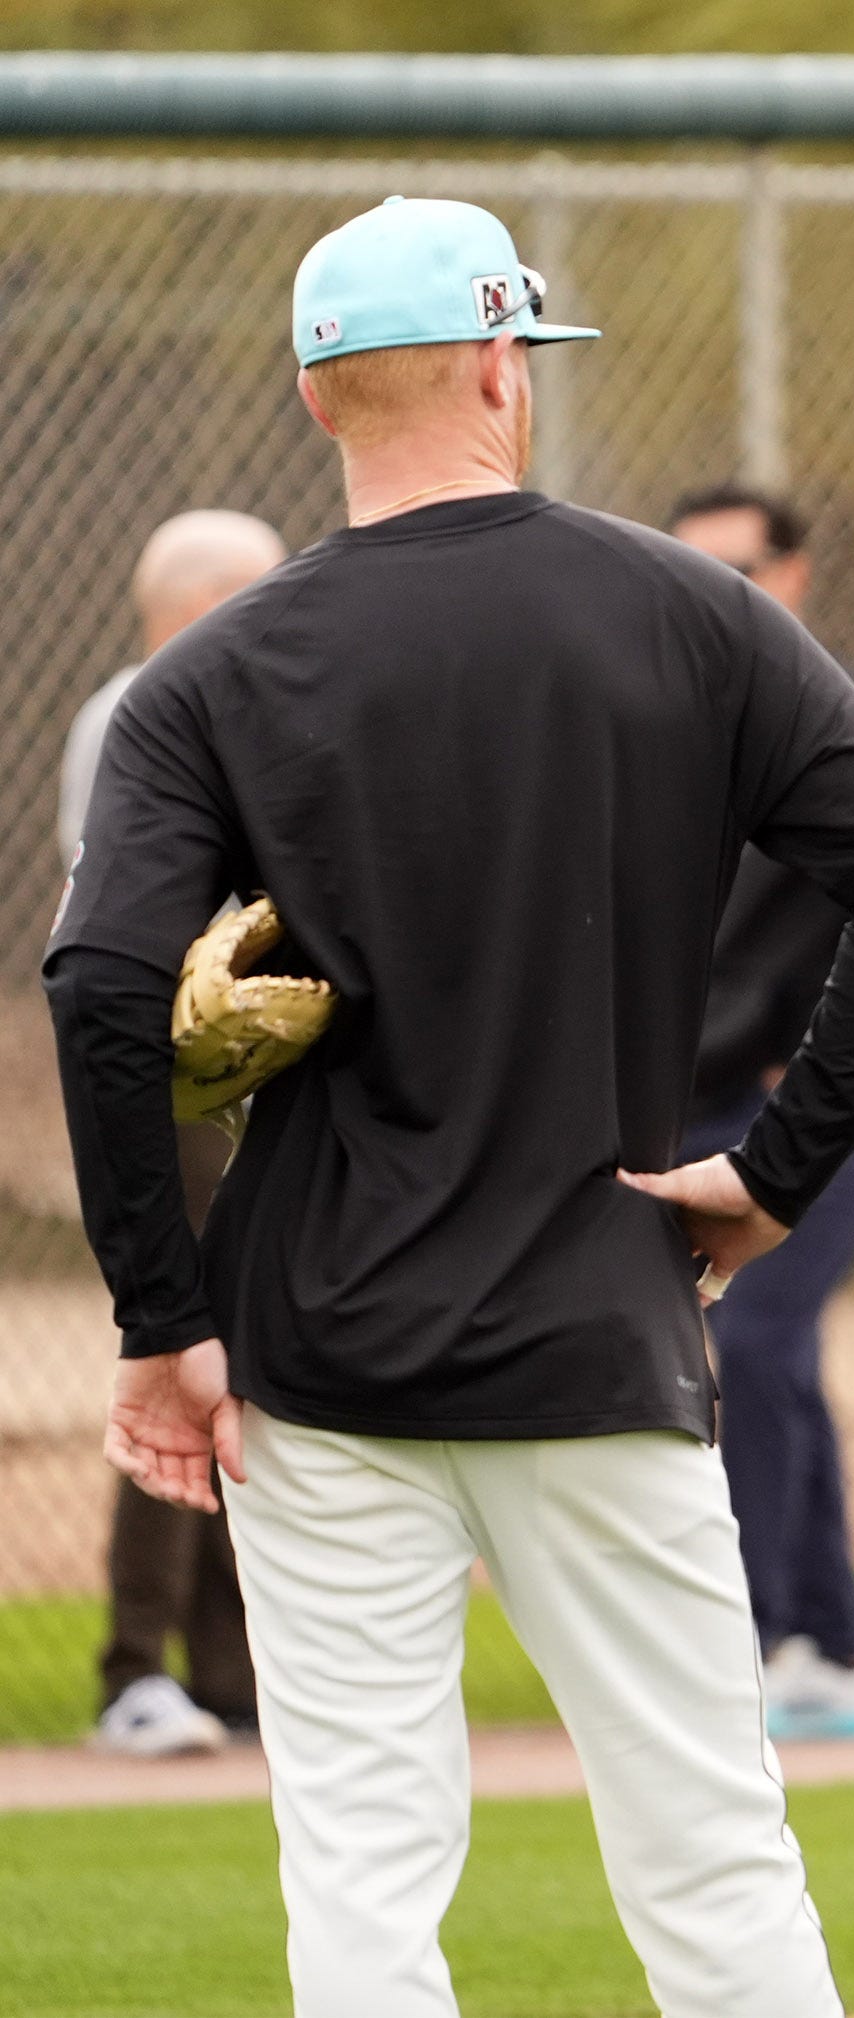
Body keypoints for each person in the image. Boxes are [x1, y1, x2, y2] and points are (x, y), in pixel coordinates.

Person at [46, 195, 854, 2015]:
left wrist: (165, 1315)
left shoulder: (212, 675)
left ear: (317, 399)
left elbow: (99, 981)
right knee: (711, 1855)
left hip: (316, 1341)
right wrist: (780, 1170)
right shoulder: (688, 610)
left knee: (366, 1874)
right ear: (503, 367)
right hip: (603, 1307)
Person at [668, 481, 854, 1743]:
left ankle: (766, 1640)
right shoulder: (664, 728)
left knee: (764, 1333)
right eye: (690, 567)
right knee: (770, 1346)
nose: (716, 586)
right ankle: (831, 1646)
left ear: (795, 572)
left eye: (738, 562)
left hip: (841, 1100)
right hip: (711, 1093)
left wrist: (810, 1066)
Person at [56, 508, 285, 1757]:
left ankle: (229, 1669)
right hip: (162, 1061)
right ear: (200, 608)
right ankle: (136, 1668)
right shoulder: (150, 708)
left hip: (218, 1065)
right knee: (183, 1339)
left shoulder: (179, 698)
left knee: (231, 1339)